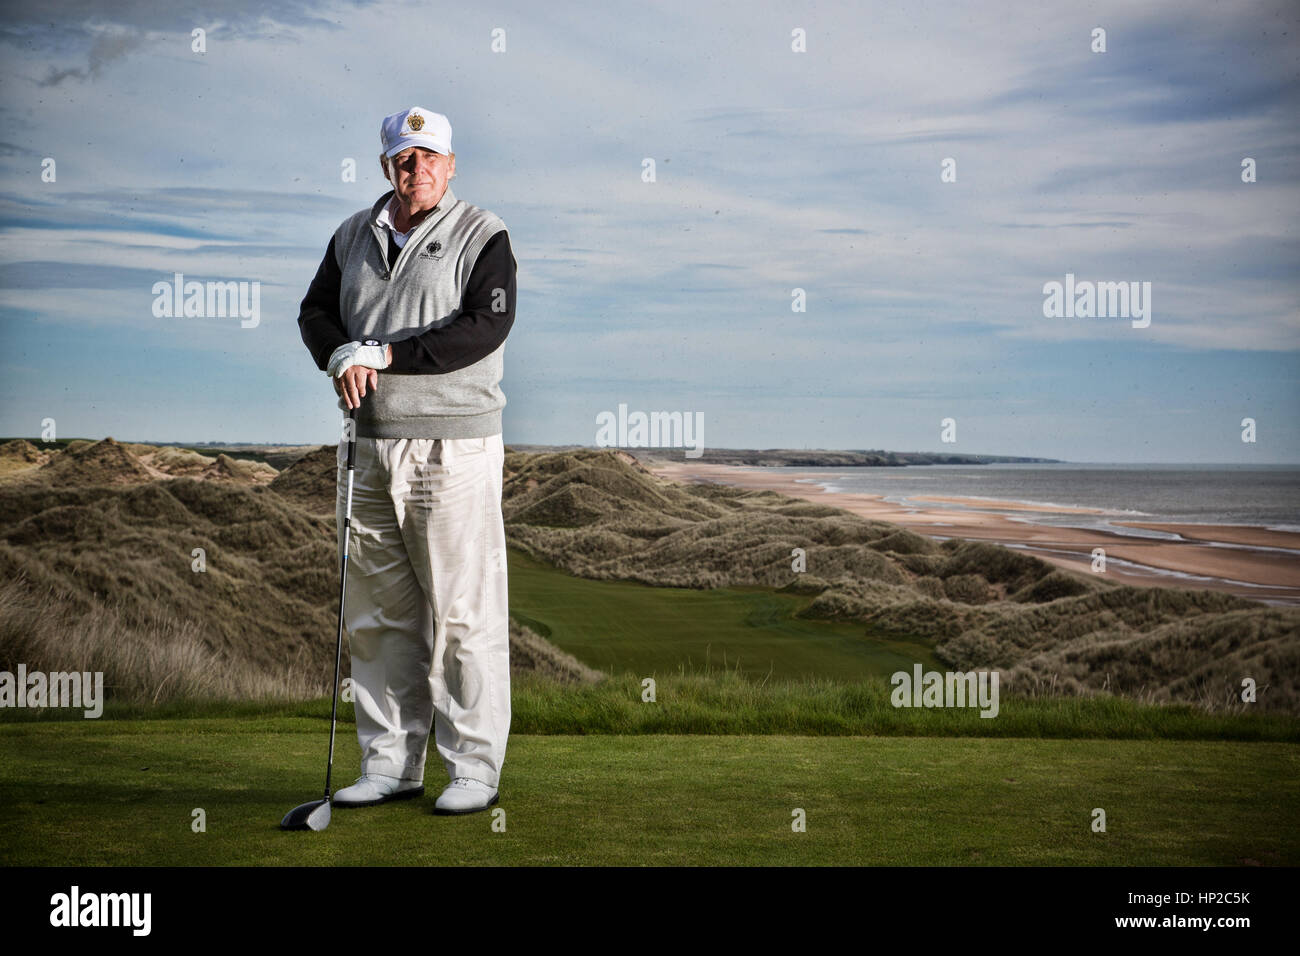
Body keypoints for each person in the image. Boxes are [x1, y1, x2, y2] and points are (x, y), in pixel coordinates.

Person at [297, 106, 516, 815]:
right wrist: (338, 351)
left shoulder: (483, 235)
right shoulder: (351, 235)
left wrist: (384, 353)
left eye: (427, 156)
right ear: (386, 163)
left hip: (452, 446)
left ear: (450, 165)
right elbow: (316, 311)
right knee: (378, 617)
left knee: (461, 615)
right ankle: (390, 763)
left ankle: (474, 770)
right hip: (368, 444)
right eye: (402, 156)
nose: (414, 167)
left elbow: (484, 326)